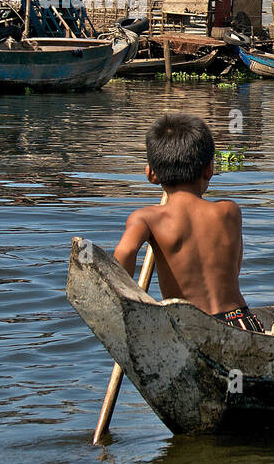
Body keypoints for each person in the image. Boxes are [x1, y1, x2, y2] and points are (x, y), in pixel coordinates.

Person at [113, 113, 264, 332]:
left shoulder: (146, 218)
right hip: (240, 322)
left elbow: (124, 255)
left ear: (151, 174)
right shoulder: (229, 211)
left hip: (190, 328)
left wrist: (126, 306)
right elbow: (234, 269)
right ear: (209, 169)